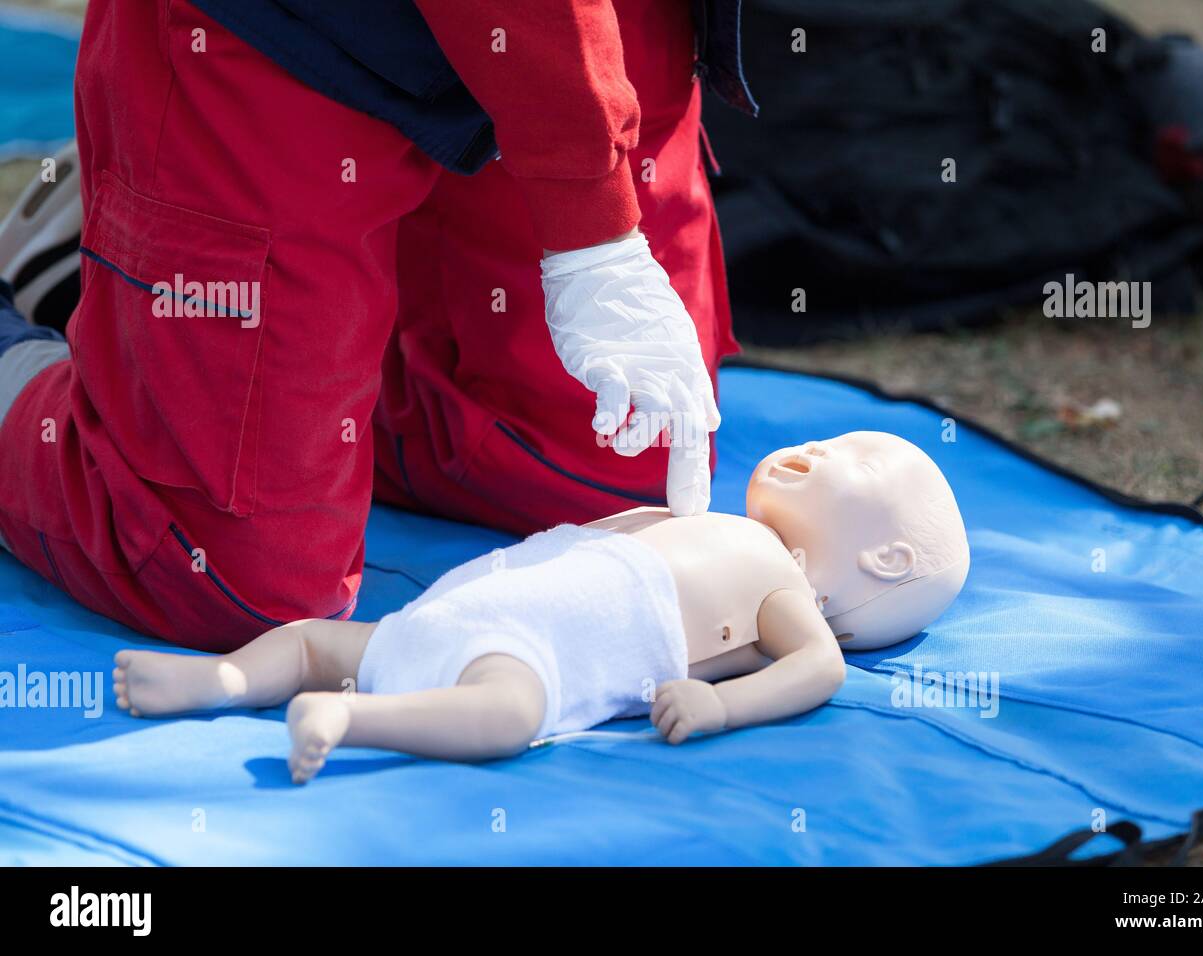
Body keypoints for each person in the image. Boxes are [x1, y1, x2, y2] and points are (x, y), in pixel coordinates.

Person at [0, 1, 756, 650]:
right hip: (292, 26)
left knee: (608, 466)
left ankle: (174, 315)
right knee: (240, 578)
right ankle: (139, 277)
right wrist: (592, 227)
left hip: (583, 24)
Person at [110, 432, 970, 783]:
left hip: (524, 651)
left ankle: (351, 719)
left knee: (508, 714)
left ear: (883, 560)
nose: (822, 445)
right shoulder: (710, 515)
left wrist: (719, 703)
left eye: (855, 459)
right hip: (485, 599)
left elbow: (817, 669)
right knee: (312, 640)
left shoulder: (781, 586)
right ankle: (220, 678)